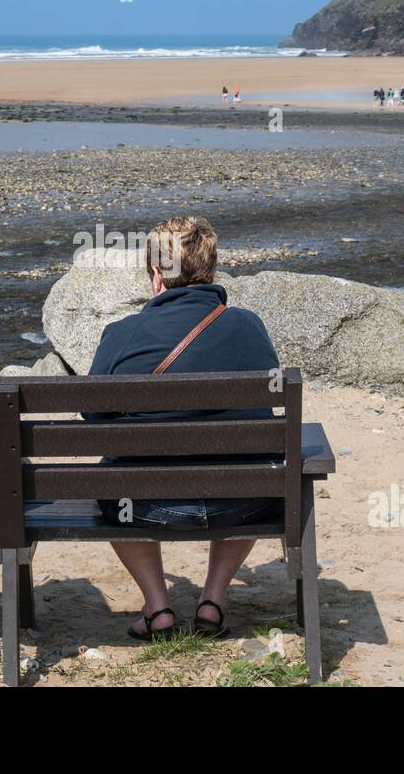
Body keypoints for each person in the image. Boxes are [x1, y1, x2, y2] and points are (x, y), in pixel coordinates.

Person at [86, 216, 281, 641]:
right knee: (254, 463)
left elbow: (94, 419)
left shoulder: (121, 333)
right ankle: (211, 602)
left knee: (109, 470)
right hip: (244, 503)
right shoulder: (250, 326)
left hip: (145, 506)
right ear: (210, 270)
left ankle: (158, 608)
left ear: (156, 274)